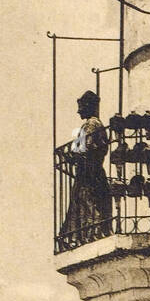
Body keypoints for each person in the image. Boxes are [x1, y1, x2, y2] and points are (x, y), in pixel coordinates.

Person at [60, 89, 112, 243]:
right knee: (85, 202)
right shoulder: (93, 125)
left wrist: (72, 156)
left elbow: (86, 148)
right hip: (91, 171)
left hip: (89, 172)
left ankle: (89, 234)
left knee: (87, 202)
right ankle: (88, 233)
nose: (78, 111)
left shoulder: (91, 125)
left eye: (81, 106)